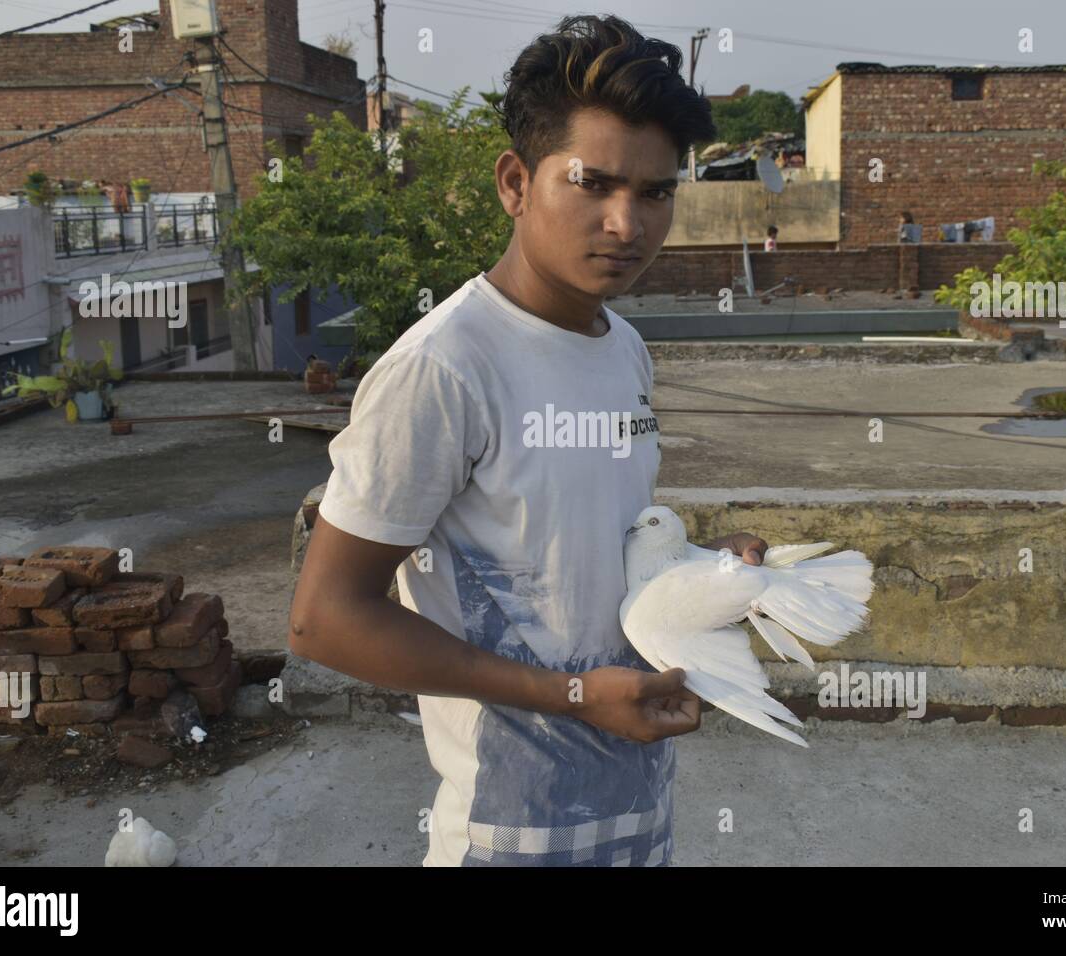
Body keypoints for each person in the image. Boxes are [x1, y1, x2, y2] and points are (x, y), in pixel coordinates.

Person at [290, 13, 770, 868]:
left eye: (656, 192)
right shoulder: (445, 368)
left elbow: (582, 550)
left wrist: (699, 574)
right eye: (595, 183)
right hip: (505, 837)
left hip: (637, 813)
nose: (628, 223)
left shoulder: (622, 348)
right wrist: (574, 695)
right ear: (516, 181)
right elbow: (325, 621)